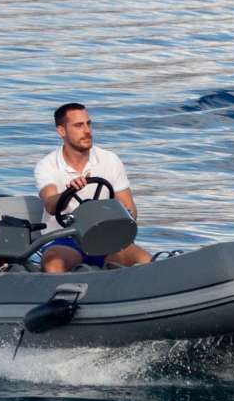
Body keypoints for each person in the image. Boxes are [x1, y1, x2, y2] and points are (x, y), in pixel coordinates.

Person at [35, 102, 150, 273]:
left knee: (145, 260)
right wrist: (67, 193)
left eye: (88, 124)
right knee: (54, 263)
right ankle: (62, 295)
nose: (87, 131)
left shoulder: (110, 160)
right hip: (65, 240)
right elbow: (51, 203)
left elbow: (129, 208)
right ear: (61, 131)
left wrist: (122, 221)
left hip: (104, 238)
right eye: (78, 125)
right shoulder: (47, 165)